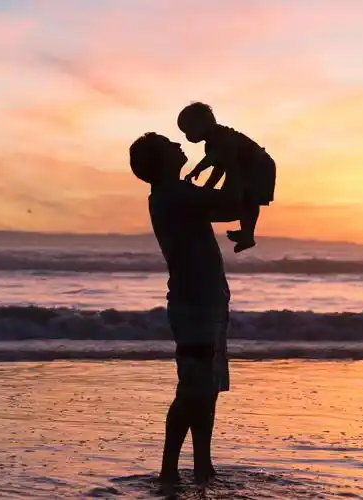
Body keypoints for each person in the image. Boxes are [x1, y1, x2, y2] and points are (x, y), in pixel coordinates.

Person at [128, 132, 243, 488]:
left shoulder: (173, 194)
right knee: (193, 389)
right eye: (170, 146)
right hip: (195, 304)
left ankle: (201, 466)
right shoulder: (174, 194)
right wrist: (238, 163)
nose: (180, 147)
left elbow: (219, 201)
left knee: (204, 388)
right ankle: (170, 470)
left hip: (203, 300)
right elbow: (231, 205)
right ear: (160, 162)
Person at [177, 102, 276, 253]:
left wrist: (197, 170)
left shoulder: (221, 136)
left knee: (248, 198)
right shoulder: (212, 143)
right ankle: (247, 234)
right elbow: (219, 167)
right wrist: (208, 188)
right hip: (245, 168)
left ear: (203, 124)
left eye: (189, 130)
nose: (187, 136)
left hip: (259, 165)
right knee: (246, 199)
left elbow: (215, 158)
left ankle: (248, 233)